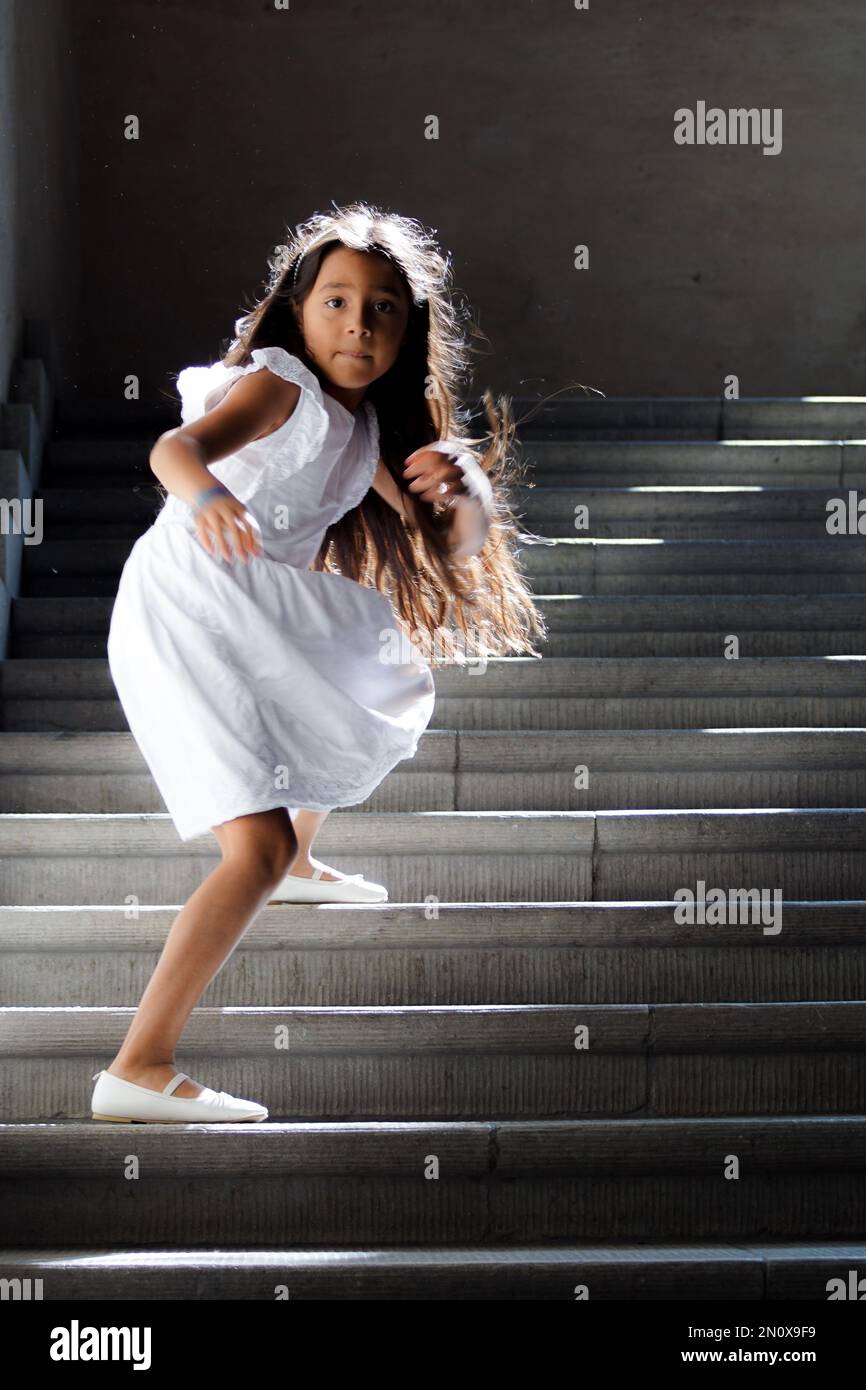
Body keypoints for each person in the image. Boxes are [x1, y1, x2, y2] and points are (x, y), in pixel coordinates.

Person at [91, 200, 547, 1123]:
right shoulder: (280, 385)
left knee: (369, 669)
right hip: (190, 596)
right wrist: (208, 495)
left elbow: (453, 545)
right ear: (298, 313)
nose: (357, 324)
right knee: (247, 846)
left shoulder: (371, 432)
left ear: (409, 327)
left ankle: (297, 854)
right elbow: (176, 449)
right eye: (336, 301)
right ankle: (138, 1067)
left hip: (254, 599)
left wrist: (470, 488)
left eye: (382, 308)